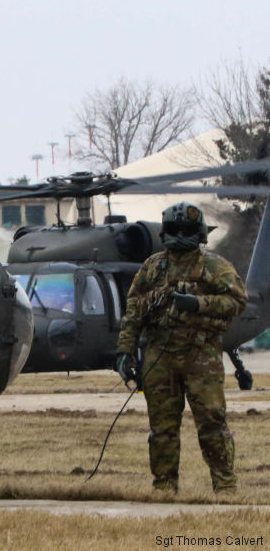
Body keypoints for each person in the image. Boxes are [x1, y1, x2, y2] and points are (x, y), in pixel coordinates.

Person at [115, 202, 247, 494]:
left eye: (186, 230)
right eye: (175, 229)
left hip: (201, 354)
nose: (180, 235)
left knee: (212, 422)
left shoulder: (215, 266)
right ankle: (164, 486)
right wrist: (125, 350)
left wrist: (198, 304)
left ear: (199, 233)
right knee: (161, 428)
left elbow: (237, 302)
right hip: (160, 354)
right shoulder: (153, 266)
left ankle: (225, 486)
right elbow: (133, 310)